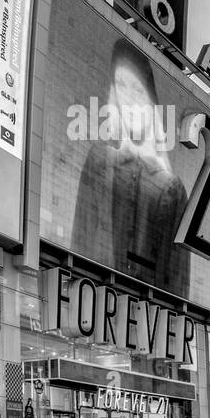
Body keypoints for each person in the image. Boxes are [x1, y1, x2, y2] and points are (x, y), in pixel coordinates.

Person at [73, 39, 189, 297]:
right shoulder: (99, 160)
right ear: (114, 92)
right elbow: (80, 238)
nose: (130, 100)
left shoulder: (172, 189)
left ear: (151, 100)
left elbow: (178, 284)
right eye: (122, 86)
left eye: (137, 90)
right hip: (94, 301)